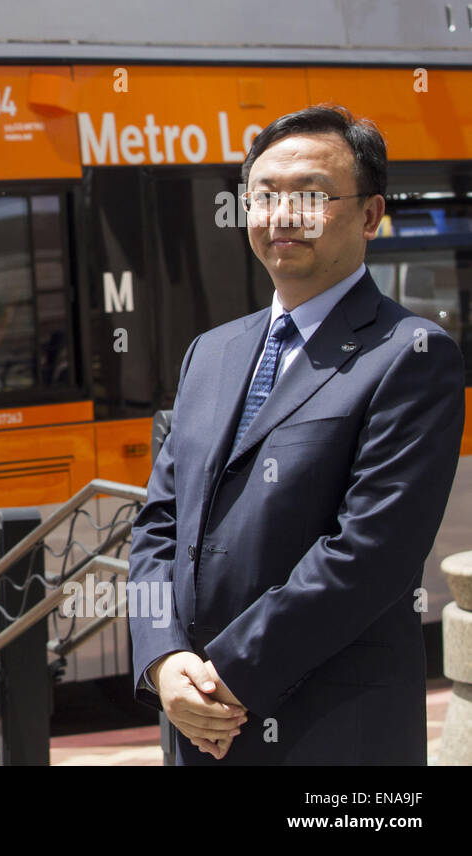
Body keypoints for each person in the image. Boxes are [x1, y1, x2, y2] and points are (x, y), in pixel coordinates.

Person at [129, 105, 464, 765]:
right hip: (197, 729)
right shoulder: (211, 353)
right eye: (264, 195)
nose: (282, 215)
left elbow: (367, 556)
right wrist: (164, 661)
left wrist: (223, 678)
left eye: (310, 195)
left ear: (370, 216)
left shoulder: (412, 354)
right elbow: (157, 525)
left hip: (331, 736)